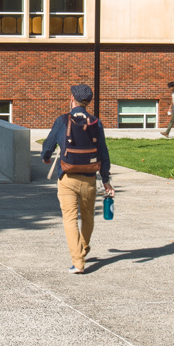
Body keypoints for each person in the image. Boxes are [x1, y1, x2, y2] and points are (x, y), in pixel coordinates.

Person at [40, 84, 114, 274]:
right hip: (89, 178)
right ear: (88, 102)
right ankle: (84, 248)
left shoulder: (63, 120)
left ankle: (78, 262)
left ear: (72, 98)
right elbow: (103, 153)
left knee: (70, 219)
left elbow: (48, 145)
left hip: (67, 176)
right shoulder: (95, 122)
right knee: (88, 217)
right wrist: (106, 179)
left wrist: (46, 157)